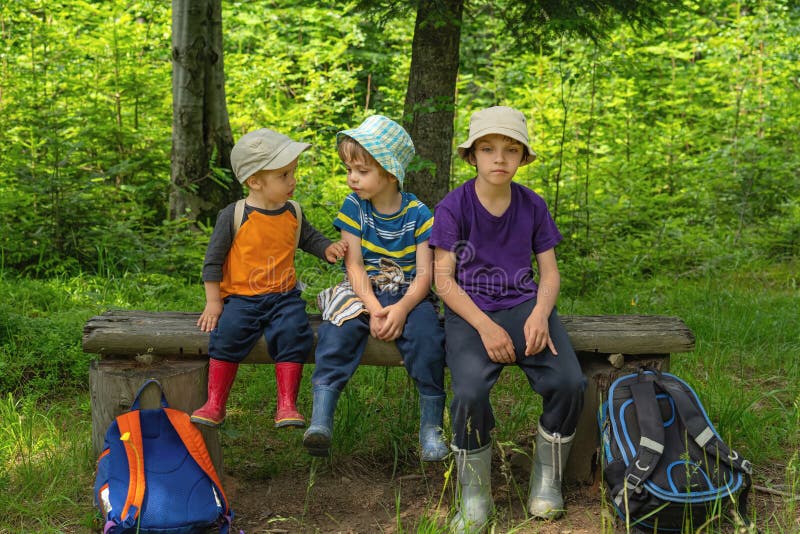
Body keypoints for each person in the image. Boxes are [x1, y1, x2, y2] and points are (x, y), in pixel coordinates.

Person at [429, 106, 586, 532]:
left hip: (523, 305)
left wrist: (539, 313)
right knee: (469, 393)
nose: (499, 158)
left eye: (510, 150)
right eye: (488, 149)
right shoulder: (453, 207)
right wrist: (484, 325)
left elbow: (550, 273)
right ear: (472, 156)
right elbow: (443, 281)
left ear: (522, 157)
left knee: (570, 382)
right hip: (469, 311)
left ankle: (546, 480)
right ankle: (475, 496)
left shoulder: (532, 205)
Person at [302, 115, 448, 462]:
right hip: (361, 288)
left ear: (390, 172)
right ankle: (321, 419)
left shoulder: (418, 213)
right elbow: (352, 265)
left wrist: (399, 309)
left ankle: (430, 428)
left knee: (428, 337)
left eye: (362, 170)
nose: (352, 178)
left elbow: (426, 274)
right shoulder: (354, 207)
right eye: (349, 169)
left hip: (408, 292)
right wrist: (371, 305)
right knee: (336, 330)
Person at [191, 128, 347, 429]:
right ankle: (215, 403)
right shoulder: (234, 215)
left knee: (294, 332)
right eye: (284, 175)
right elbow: (213, 261)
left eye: (293, 173)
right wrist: (213, 302)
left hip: (283, 297)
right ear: (255, 181)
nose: (293, 181)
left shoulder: (293, 212)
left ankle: (287, 405)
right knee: (227, 334)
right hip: (241, 297)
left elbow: (309, 238)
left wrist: (327, 248)